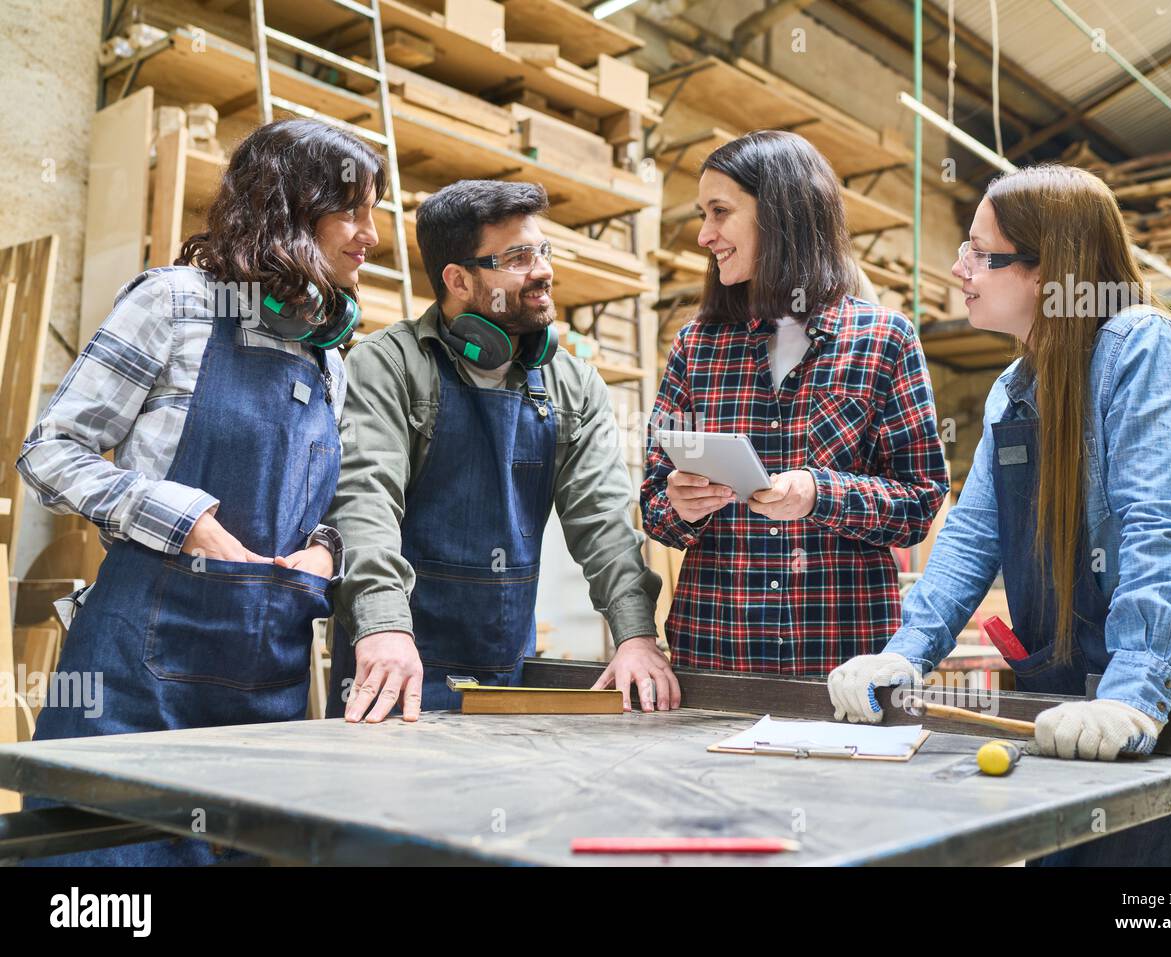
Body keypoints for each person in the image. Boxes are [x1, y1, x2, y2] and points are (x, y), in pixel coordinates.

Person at [827, 164, 1171, 866]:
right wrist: (904, 652)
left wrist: (1132, 695)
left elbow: (1164, 529)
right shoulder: (1014, 390)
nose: (958, 268)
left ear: (1051, 271)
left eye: (981, 253)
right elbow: (971, 537)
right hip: (1074, 710)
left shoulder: (1142, 347)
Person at [16, 117, 380, 864]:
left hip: (265, 695)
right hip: (137, 682)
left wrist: (325, 550)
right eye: (353, 211)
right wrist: (186, 520)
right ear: (290, 205)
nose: (371, 235)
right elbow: (48, 452)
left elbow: (330, 502)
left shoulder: (327, 357)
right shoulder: (175, 303)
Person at [325, 179, 677, 720]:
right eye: (516, 257)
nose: (542, 270)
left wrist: (635, 635)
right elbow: (363, 501)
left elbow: (602, 521)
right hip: (389, 668)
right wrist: (384, 624)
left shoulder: (572, 385)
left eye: (542, 251)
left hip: (506, 674)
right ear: (459, 280)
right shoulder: (388, 365)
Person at [641, 130, 948, 675]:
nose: (704, 235)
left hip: (845, 664)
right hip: (715, 657)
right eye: (702, 214)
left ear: (781, 214)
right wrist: (678, 504)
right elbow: (654, 508)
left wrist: (818, 492)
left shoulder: (885, 339)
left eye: (720, 212)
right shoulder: (697, 346)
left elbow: (921, 502)